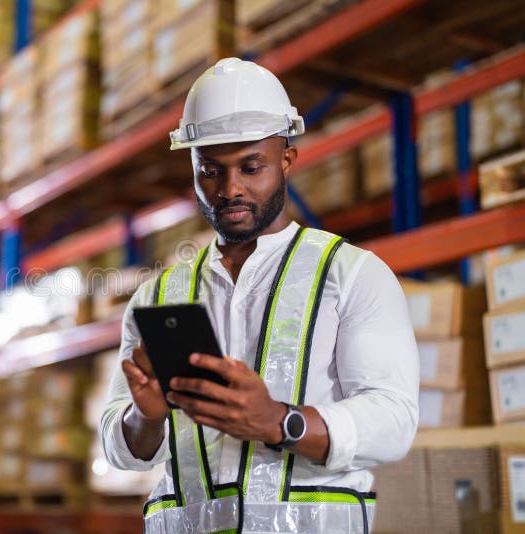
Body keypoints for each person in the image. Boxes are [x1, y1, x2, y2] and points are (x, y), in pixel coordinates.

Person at [99, 58, 419, 534]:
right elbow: (121, 449)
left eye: (252, 167)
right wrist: (143, 418)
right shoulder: (158, 297)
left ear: (287, 158)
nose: (230, 189)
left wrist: (278, 422)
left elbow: (394, 421)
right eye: (210, 170)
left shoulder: (351, 274)